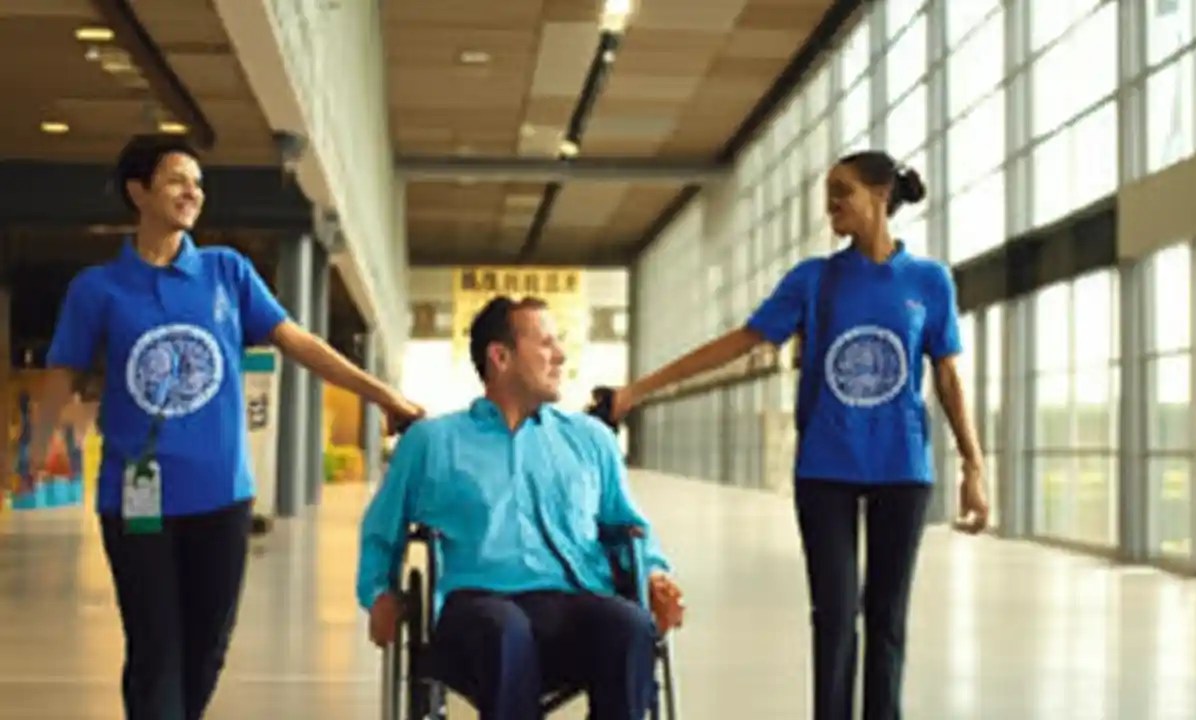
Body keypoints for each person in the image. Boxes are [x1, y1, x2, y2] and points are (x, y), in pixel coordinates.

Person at [6, 134, 424, 720]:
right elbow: (60, 377)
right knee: (156, 649)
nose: (192, 193)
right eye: (177, 180)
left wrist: (382, 395)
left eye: (198, 184)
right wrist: (26, 457)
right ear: (138, 191)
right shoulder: (97, 290)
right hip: (136, 501)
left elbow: (298, 341)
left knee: (205, 651)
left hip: (222, 498)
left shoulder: (227, 272)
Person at [591, 150, 989, 720]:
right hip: (825, 470)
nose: (830, 204)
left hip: (902, 470)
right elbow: (740, 342)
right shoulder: (814, 279)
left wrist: (974, 465)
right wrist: (638, 390)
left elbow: (947, 375)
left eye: (842, 191)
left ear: (881, 196)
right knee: (833, 616)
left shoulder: (929, 282)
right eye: (827, 191)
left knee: (887, 620)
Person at [357, 295, 685, 720]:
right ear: (501, 357)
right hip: (475, 608)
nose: (561, 356)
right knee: (504, 628)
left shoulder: (590, 440)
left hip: (571, 602)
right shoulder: (432, 442)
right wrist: (379, 593)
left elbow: (630, 526)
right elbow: (383, 530)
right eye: (546, 343)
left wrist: (656, 576)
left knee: (627, 625)